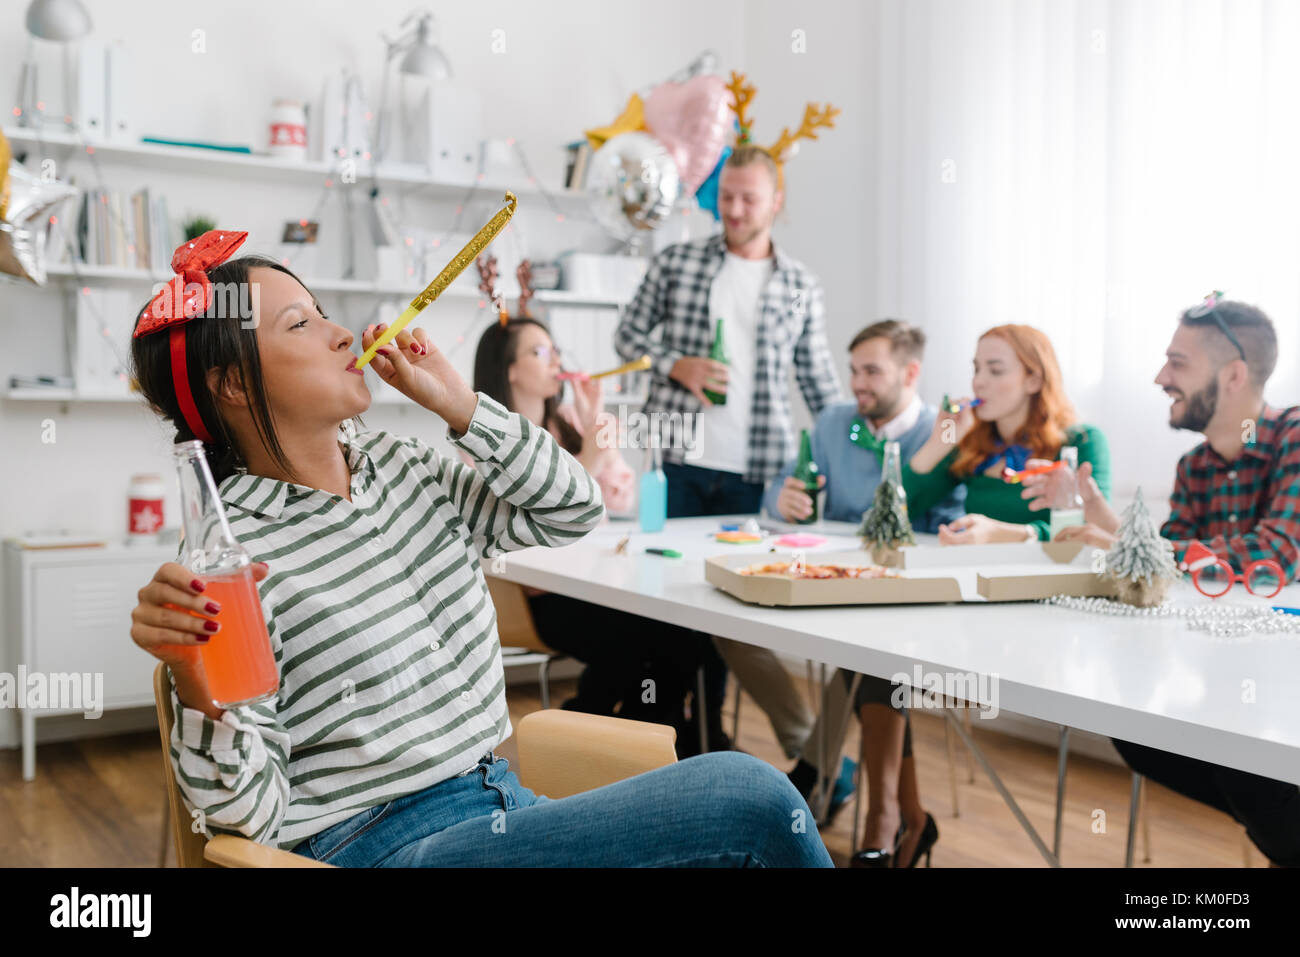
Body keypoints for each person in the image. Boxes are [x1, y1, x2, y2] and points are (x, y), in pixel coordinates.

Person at [126, 236, 832, 867]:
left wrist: (461, 406)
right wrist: (198, 683)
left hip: (502, 805)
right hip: (379, 843)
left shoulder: (404, 467)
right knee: (755, 797)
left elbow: (573, 506)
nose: (343, 333)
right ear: (234, 384)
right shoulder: (230, 560)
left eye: (322, 310)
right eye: (302, 323)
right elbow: (247, 815)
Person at [613, 143, 855, 815]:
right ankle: (691, 750)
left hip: (758, 474)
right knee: (673, 612)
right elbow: (627, 336)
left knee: (730, 621)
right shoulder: (679, 260)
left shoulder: (800, 284)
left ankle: (718, 749)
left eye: (751, 198)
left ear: (777, 201)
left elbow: (819, 383)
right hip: (682, 461)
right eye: (727, 198)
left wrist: (856, 442)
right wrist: (676, 364)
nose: (737, 210)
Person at [1033, 296, 1300, 867]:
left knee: (1256, 769)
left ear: (1233, 376)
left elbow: (1276, 556)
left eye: (1177, 363)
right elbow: (1166, 571)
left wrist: (1147, 548)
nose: (1160, 377)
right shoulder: (1195, 468)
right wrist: (1120, 534)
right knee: (1133, 730)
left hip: (1285, 690)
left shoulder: (1293, 437)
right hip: (1222, 685)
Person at [471, 316, 729, 754]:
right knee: (642, 644)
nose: (555, 361)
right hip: (541, 599)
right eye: (539, 352)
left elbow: (621, 498)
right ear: (509, 369)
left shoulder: (571, 421)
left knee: (687, 636)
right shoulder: (484, 442)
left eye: (555, 350)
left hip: (600, 585)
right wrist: (588, 457)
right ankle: (612, 744)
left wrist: (595, 425)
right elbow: (520, 528)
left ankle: (638, 747)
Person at [764, 319, 965, 867]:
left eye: (871, 371)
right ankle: (888, 814)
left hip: (913, 601)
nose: (858, 383)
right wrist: (783, 502)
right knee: (862, 644)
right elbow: (776, 495)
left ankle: (859, 803)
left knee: (874, 648)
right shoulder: (833, 424)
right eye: (853, 370)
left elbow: (954, 525)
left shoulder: (941, 432)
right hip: (837, 589)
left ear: (911, 372)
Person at [903, 323, 1112, 543]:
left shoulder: (1082, 441)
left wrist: (1014, 535)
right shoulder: (972, 442)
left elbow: (1093, 533)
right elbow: (895, 513)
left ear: (1033, 380)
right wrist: (940, 441)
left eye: (995, 371)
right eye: (976, 369)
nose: (978, 382)